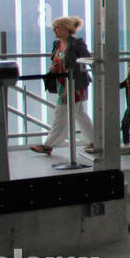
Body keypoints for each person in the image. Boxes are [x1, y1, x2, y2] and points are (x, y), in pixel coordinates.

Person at [31, 15, 99, 156]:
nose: (54, 30)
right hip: (63, 83)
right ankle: (96, 141)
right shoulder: (57, 45)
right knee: (78, 113)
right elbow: (57, 61)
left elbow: (87, 60)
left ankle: (48, 145)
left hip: (75, 83)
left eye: (57, 27)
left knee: (61, 113)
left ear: (66, 29)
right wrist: (54, 68)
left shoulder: (76, 43)